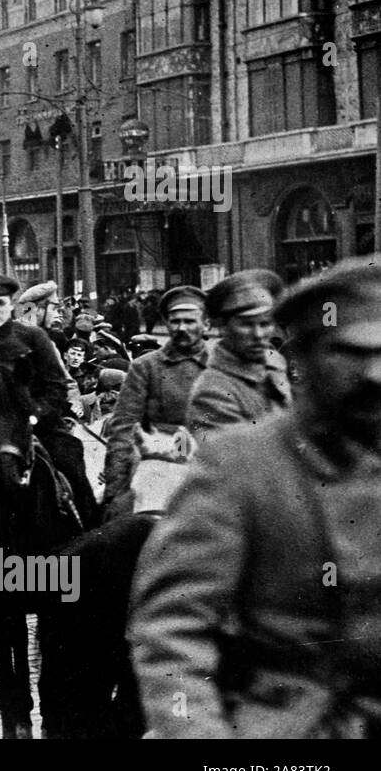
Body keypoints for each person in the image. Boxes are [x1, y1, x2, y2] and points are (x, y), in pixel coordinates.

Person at [130, 257, 381, 738]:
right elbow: (173, 629)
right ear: (309, 357)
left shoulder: (275, 373)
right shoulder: (236, 460)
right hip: (289, 721)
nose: (373, 375)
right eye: (350, 353)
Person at [0, 274, 96, 576]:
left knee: (72, 464)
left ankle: (91, 546)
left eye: (0, 303)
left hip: (38, 426)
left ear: (12, 304)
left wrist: (35, 417)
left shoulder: (34, 338)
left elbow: (56, 387)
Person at [100, 285, 210, 517]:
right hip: (158, 464)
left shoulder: (221, 366)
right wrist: (115, 490)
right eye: (174, 321)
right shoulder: (146, 367)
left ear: (206, 324)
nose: (181, 328)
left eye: (190, 321)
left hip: (213, 464)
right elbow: (124, 428)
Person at [187, 270, 291, 442]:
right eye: (246, 325)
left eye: (265, 323)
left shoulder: (274, 361)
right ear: (224, 327)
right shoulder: (212, 393)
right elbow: (234, 462)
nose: (258, 334)